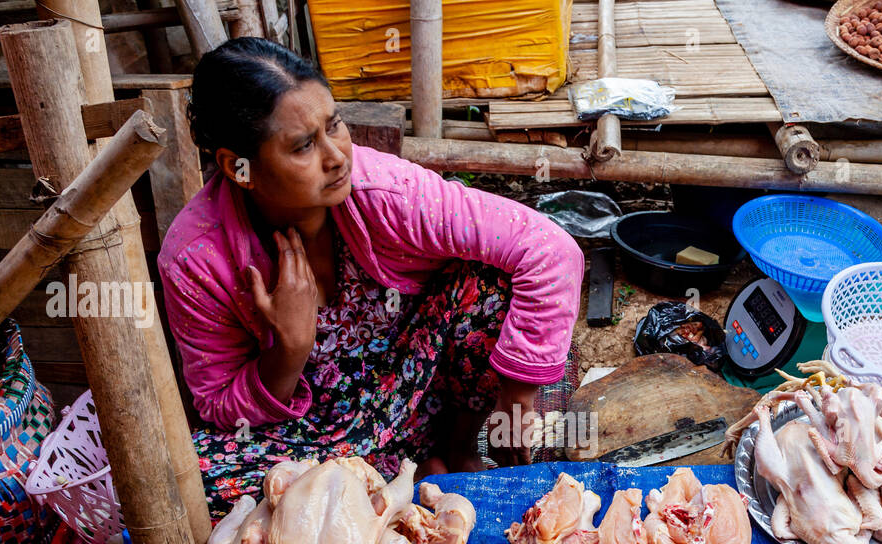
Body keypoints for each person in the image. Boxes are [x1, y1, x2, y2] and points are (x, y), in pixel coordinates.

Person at [157, 37, 584, 513]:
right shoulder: (196, 258)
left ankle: (458, 456)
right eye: (302, 146)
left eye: (333, 125)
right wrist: (289, 351)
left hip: (422, 392)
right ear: (238, 167)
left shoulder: (389, 194)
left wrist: (517, 400)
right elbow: (217, 404)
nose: (337, 155)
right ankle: (402, 484)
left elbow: (550, 250)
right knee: (187, 486)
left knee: (488, 288)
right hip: (312, 436)